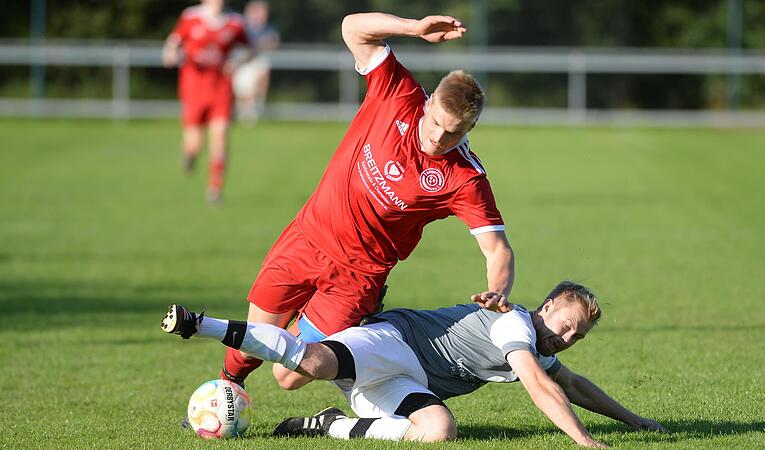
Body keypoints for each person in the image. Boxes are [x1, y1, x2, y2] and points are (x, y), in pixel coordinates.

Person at [218, 11, 516, 393]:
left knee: (288, 375)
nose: (438, 137)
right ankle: (226, 389)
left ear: (470, 128)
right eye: (436, 123)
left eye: (452, 132)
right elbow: (352, 28)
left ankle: (347, 322)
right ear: (428, 104)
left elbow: (497, 249)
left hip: (357, 278)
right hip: (308, 237)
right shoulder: (398, 94)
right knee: (255, 339)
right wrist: (414, 28)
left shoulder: (465, 178)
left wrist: (497, 291)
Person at [161, 281, 667, 446]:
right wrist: (584, 441)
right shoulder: (514, 323)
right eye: (567, 324)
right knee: (311, 363)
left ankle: (327, 425)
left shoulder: (537, 346)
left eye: (578, 335)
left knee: (438, 431)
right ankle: (201, 324)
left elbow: (573, 385)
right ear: (548, 306)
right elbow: (540, 386)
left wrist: (635, 421)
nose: (568, 338)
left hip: (407, 380)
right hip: (393, 341)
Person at [162, 0, 253, 203]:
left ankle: (215, 188)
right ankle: (189, 154)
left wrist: (237, 62)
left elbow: (250, 49)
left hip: (221, 89)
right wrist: (170, 55)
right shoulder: (191, 17)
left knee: (220, 135)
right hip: (194, 90)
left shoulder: (235, 22)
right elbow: (172, 43)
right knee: (195, 143)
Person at [233, 0, 280, 122]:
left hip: (253, 63)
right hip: (239, 63)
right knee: (241, 90)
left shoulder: (268, 28)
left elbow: (273, 43)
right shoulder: (240, 26)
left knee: (261, 69)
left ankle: (252, 110)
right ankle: (240, 111)